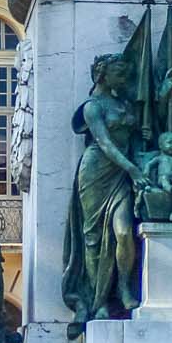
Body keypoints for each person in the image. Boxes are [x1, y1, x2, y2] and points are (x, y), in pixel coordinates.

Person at [61, 54, 143, 327]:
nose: (124, 78)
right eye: (119, 72)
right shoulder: (92, 108)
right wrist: (132, 168)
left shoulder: (124, 103)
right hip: (97, 170)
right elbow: (105, 143)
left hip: (121, 173)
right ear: (103, 75)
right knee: (93, 238)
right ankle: (99, 300)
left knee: (123, 232)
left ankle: (123, 289)